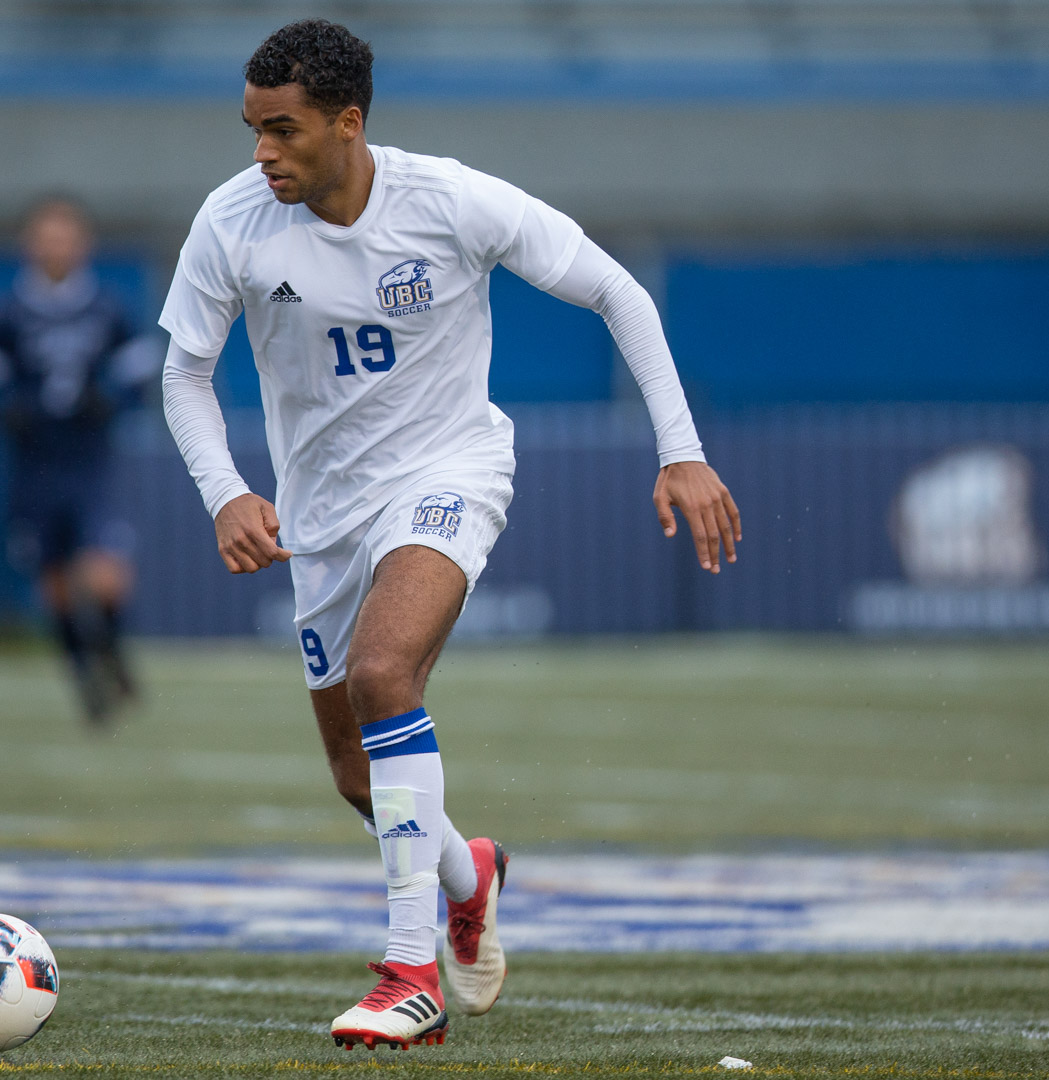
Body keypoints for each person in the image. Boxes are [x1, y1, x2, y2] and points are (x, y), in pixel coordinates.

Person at [159, 20, 741, 1048]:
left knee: (387, 676)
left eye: (283, 131)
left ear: (347, 125)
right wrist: (224, 491)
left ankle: (408, 973)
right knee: (356, 774)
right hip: (322, 516)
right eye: (252, 130)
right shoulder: (232, 222)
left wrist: (680, 449)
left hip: (448, 473)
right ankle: (470, 875)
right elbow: (184, 372)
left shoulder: (450, 200)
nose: (262, 153)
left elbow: (616, 289)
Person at [0, 198, 158, 726]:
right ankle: (83, 677)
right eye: (46, 236)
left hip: (90, 459)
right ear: (30, 243)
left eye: (65, 236)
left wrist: (111, 401)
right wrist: (6, 411)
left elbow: (140, 375)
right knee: (53, 579)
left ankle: (112, 652)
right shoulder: (6, 312)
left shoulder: (108, 306)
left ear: (83, 243)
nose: (55, 246)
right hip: (33, 463)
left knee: (105, 573)